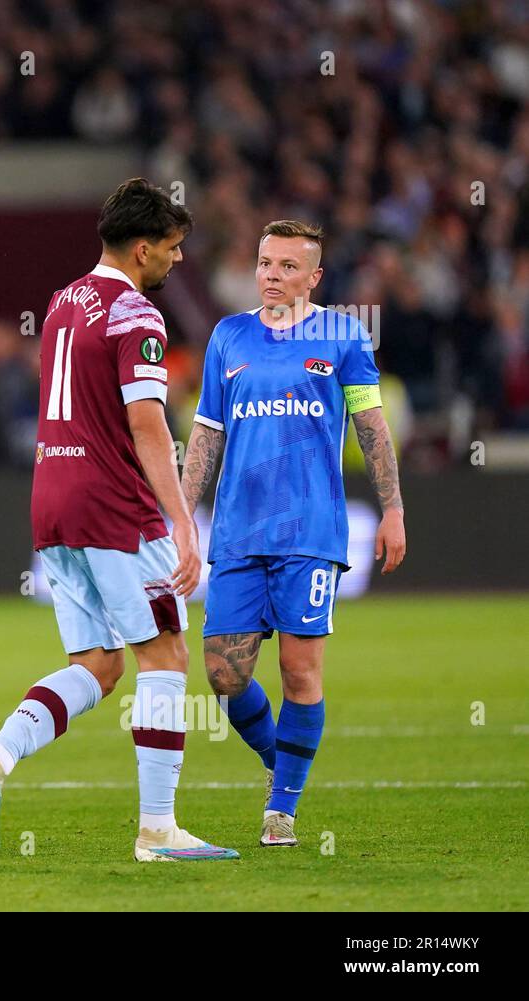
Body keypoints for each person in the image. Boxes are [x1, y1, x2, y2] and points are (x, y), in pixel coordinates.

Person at [0, 178, 239, 863]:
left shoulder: (64, 301)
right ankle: (158, 831)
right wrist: (183, 519)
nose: (177, 259)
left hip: (52, 498)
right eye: (171, 247)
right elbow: (146, 423)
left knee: (98, 665)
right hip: (112, 504)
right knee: (165, 653)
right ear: (142, 249)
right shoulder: (136, 313)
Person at [180, 219, 406, 847]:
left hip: (310, 529)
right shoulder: (229, 336)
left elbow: (371, 428)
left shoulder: (344, 336)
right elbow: (206, 434)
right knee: (223, 673)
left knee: (300, 672)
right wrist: (181, 512)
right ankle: (280, 763)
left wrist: (392, 508)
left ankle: (281, 810)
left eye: (286, 266)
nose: (272, 276)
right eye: (264, 263)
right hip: (237, 531)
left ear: (314, 276)